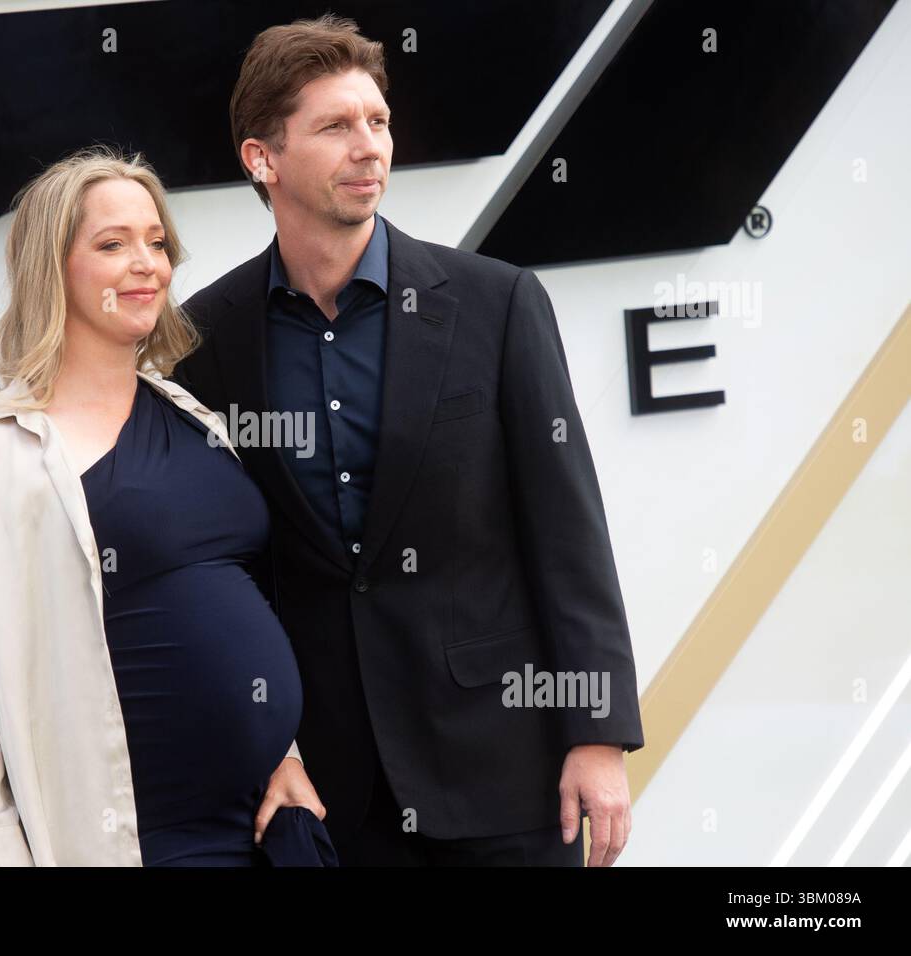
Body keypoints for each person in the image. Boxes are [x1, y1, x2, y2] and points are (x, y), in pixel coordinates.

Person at [175, 15, 645, 867]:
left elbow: (569, 532)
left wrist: (599, 734)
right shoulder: (207, 338)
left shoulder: (495, 303)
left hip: (503, 771)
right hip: (327, 790)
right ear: (262, 159)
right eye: (336, 126)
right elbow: (225, 571)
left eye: (378, 121)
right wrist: (266, 749)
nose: (370, 147)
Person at [0, 145, 330, 866]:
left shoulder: (193, 415)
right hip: (138, 840)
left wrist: (283, 755)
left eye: (157, 242)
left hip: (265, 826)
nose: (147, 264)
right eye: (113, 244)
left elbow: (240, 601)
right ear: (54, 267)